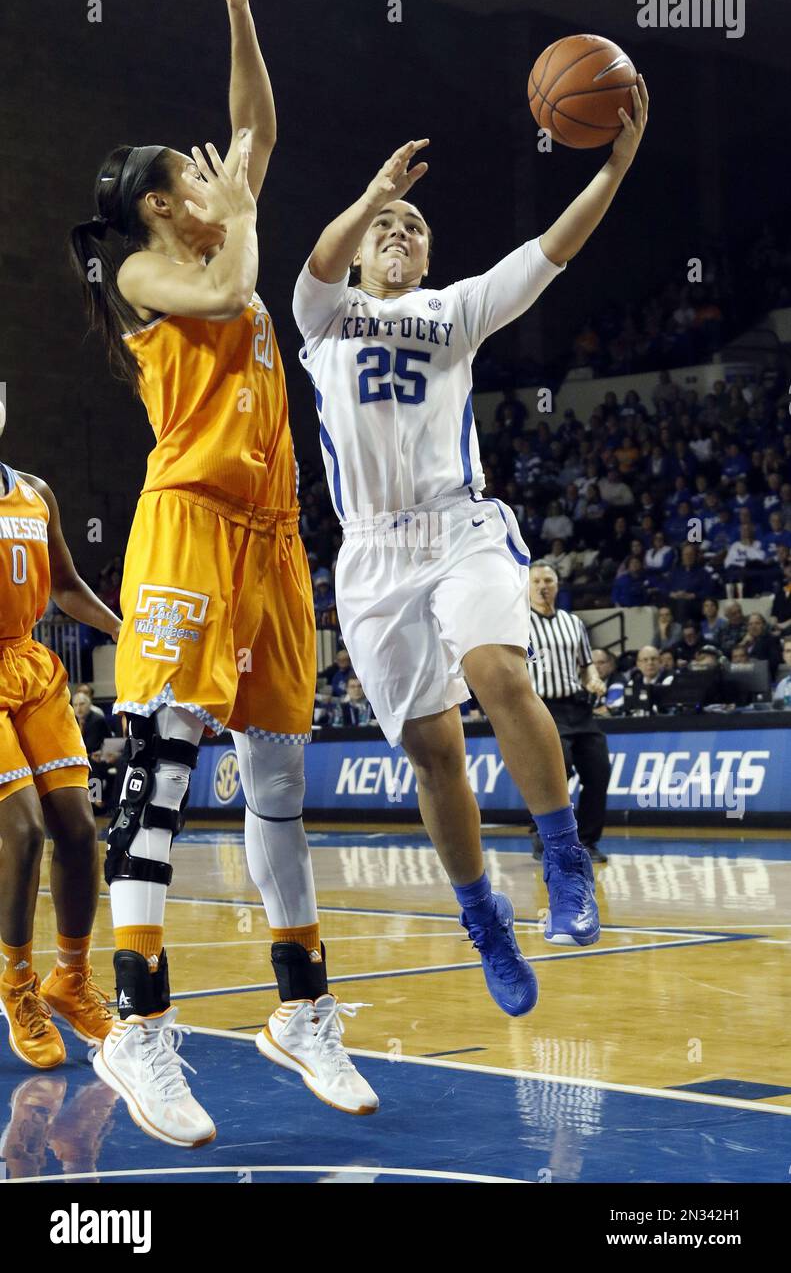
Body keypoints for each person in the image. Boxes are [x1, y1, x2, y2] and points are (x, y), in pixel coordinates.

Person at [68, 0, 376, 1146]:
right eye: (196, 178)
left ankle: (301, 1006)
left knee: (278, 779)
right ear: (159, 203)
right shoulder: (145, 276)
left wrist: (240, 6)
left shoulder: (218, 221)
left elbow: (255, 125)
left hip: (271, 536)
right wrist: (236, 207)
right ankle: (138, 1031)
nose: (222, 179)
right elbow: (231, 284)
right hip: (189, 525)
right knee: (158, 781)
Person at [292, 82, 648, 1004]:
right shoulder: (323, 315)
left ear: (431, 255)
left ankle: (563, 858)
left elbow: (553, 250)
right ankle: (484, 920)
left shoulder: (455, 310)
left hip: (460, 526)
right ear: (364, 245)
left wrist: (613, 162)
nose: (400, 234)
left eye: (414, 226)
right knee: (434, 753)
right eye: (387, 227)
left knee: (497, 670)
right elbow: (320, 259)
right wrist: (373, 194)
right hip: (370, 555)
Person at [0, 423, 119, 1068]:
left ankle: (70, 978)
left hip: (31, 666)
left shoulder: (35, 493)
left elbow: (65, 587)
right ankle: (16, 984)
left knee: (77, 827)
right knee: (22, 831)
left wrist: (124, 633)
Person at [527, 567, 611, 861]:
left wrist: (593, 679)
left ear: (558, 585)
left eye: (548, 581)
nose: (542, 586)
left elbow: (586, 664)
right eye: (535, 581)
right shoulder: (517, 622)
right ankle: (544, 836)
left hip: (577, 707)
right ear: (526, 586)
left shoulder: (573, 622)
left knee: (599, 771)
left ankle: (587, 841)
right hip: (542, 707)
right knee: (556, 768)